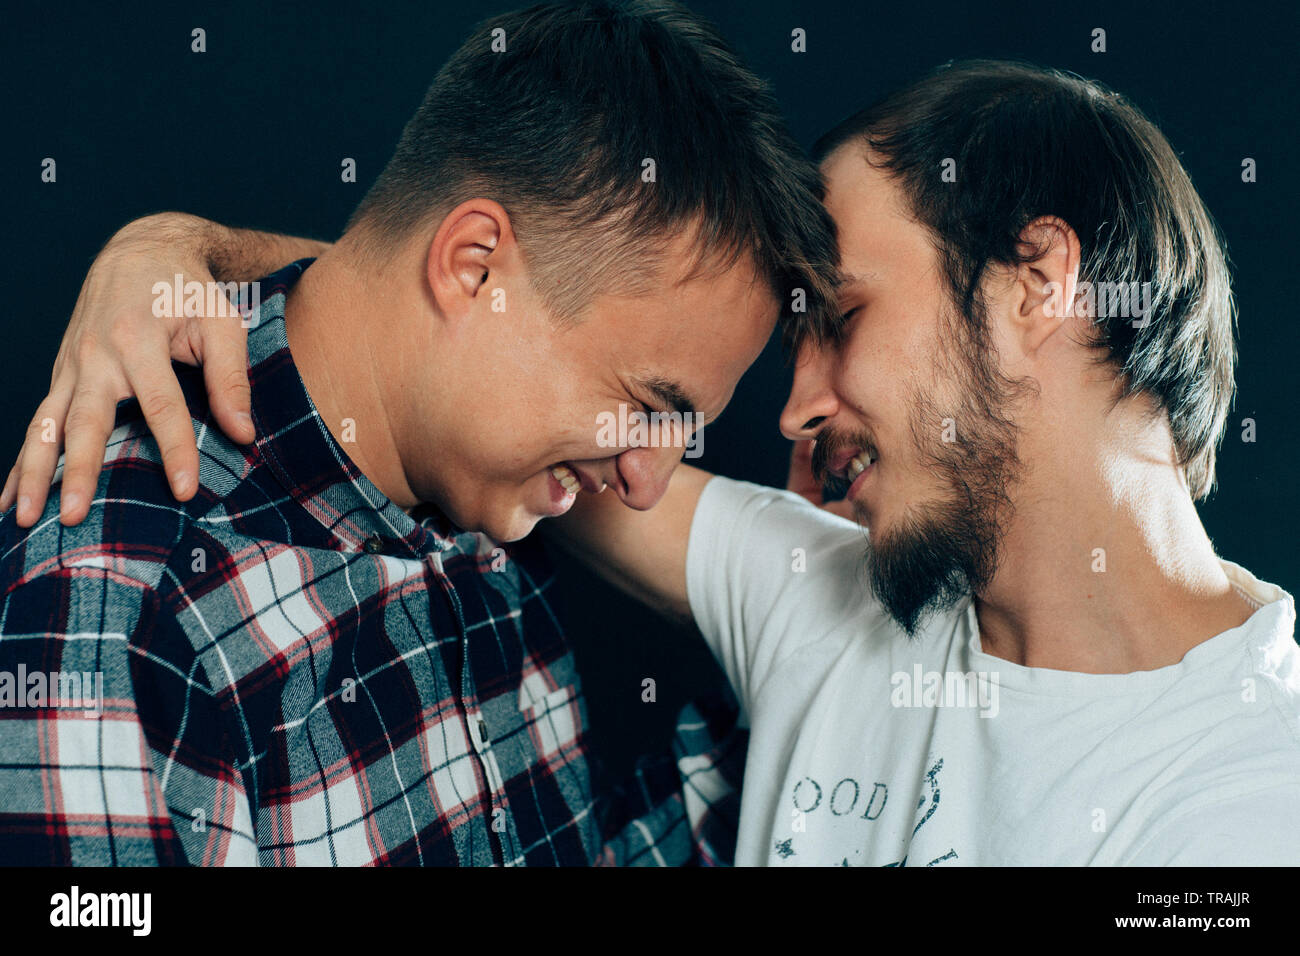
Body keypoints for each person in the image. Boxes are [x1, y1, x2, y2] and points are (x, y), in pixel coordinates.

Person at [11, 61, 1299, 865]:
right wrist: (180, 249)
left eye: (841, 320)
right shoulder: (820, 598)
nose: (793, 412)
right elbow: (415, 347)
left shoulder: (1255, 791)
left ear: (1039, 284)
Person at [0, 0, 837, 866]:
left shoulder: (487, 491)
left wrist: (816, 680)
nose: (647, 485)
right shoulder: (116, 611)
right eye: (651, 405)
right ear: (474, 268)